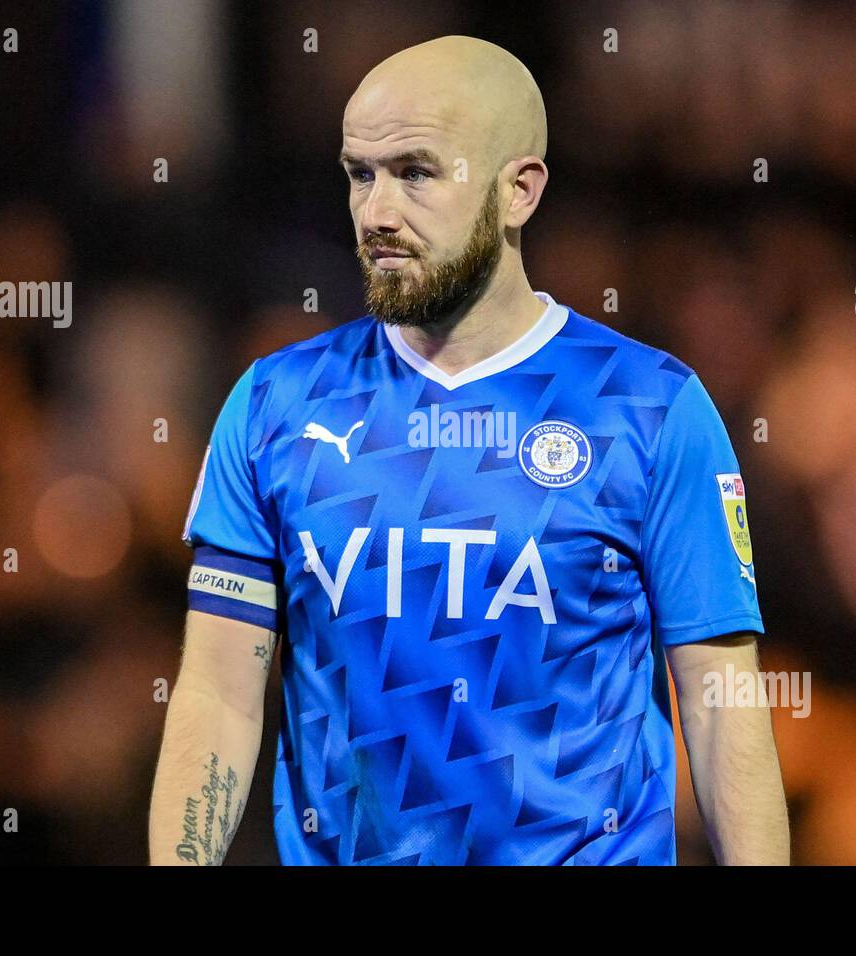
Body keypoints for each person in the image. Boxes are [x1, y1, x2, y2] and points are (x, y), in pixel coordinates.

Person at [149, 35, 789, 865]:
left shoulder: (649, 409)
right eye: (359, 173)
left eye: (416, 172)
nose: (378, 211)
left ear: (518, 190)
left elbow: (721, 700)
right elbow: (218, 696)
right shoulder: (277, 405)